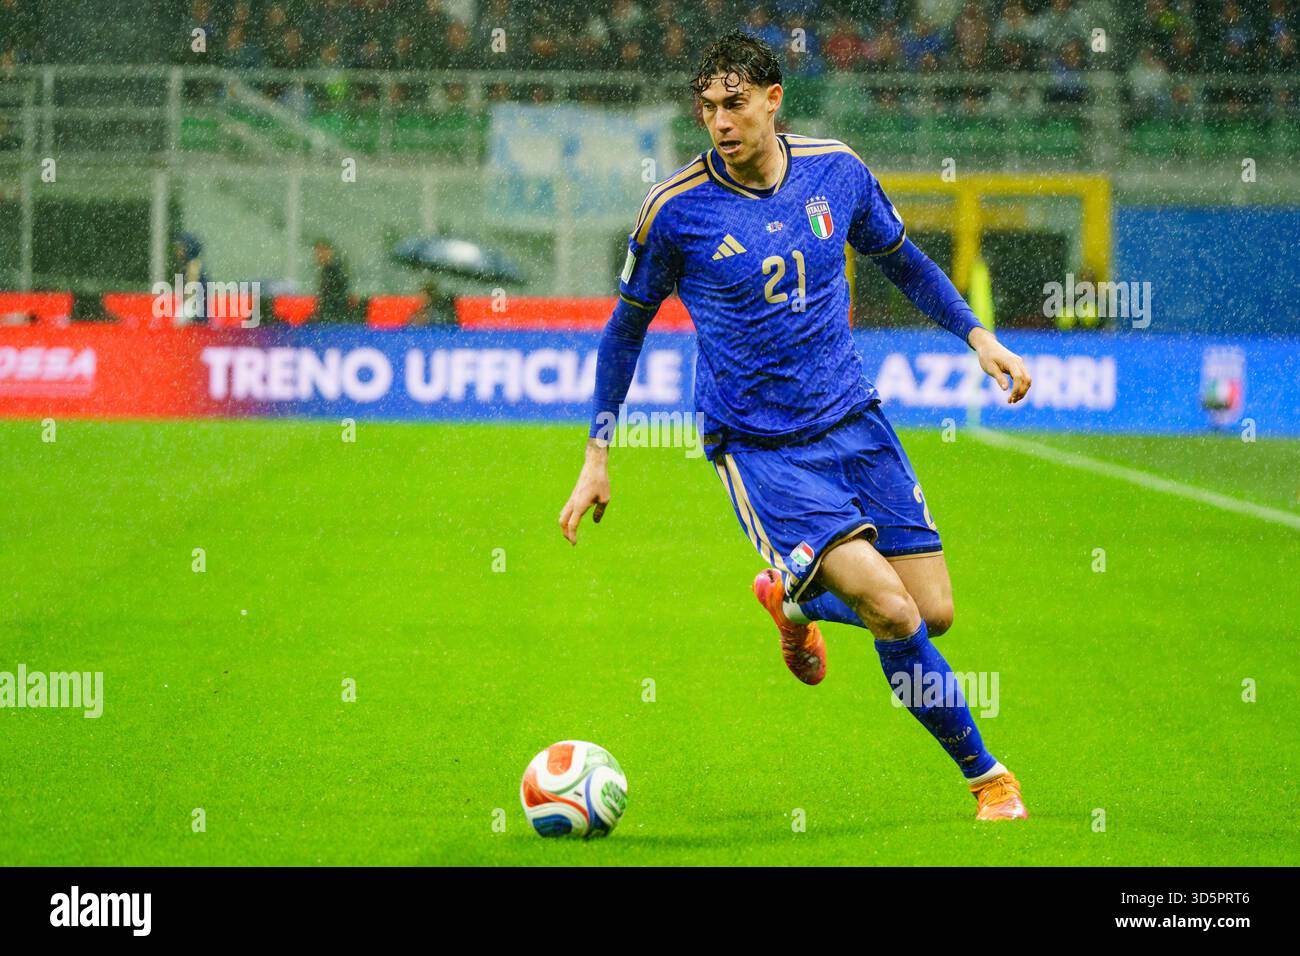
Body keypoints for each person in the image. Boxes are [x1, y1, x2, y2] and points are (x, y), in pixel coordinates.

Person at [558, 31, 1034, 822]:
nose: (719, 121)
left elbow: (904, 260)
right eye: (707, 107)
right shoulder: (675, 212)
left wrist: (978, 337)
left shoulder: (836, 171)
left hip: (854, 421)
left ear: (775, 100)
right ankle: (990, 780)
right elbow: (624, 329)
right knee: (894, 613)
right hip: (761, 449)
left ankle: (794, 602)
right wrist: (597, 451)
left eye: (735, 104)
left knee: (933, 611)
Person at [313, 239, 356, 322]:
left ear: (330, 252)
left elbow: (338, 296)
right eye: (317, 253)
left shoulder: (335, 269)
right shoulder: (327, 270)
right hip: (332, 316)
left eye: (321, 252)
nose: (318, 256)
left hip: (336, 317)